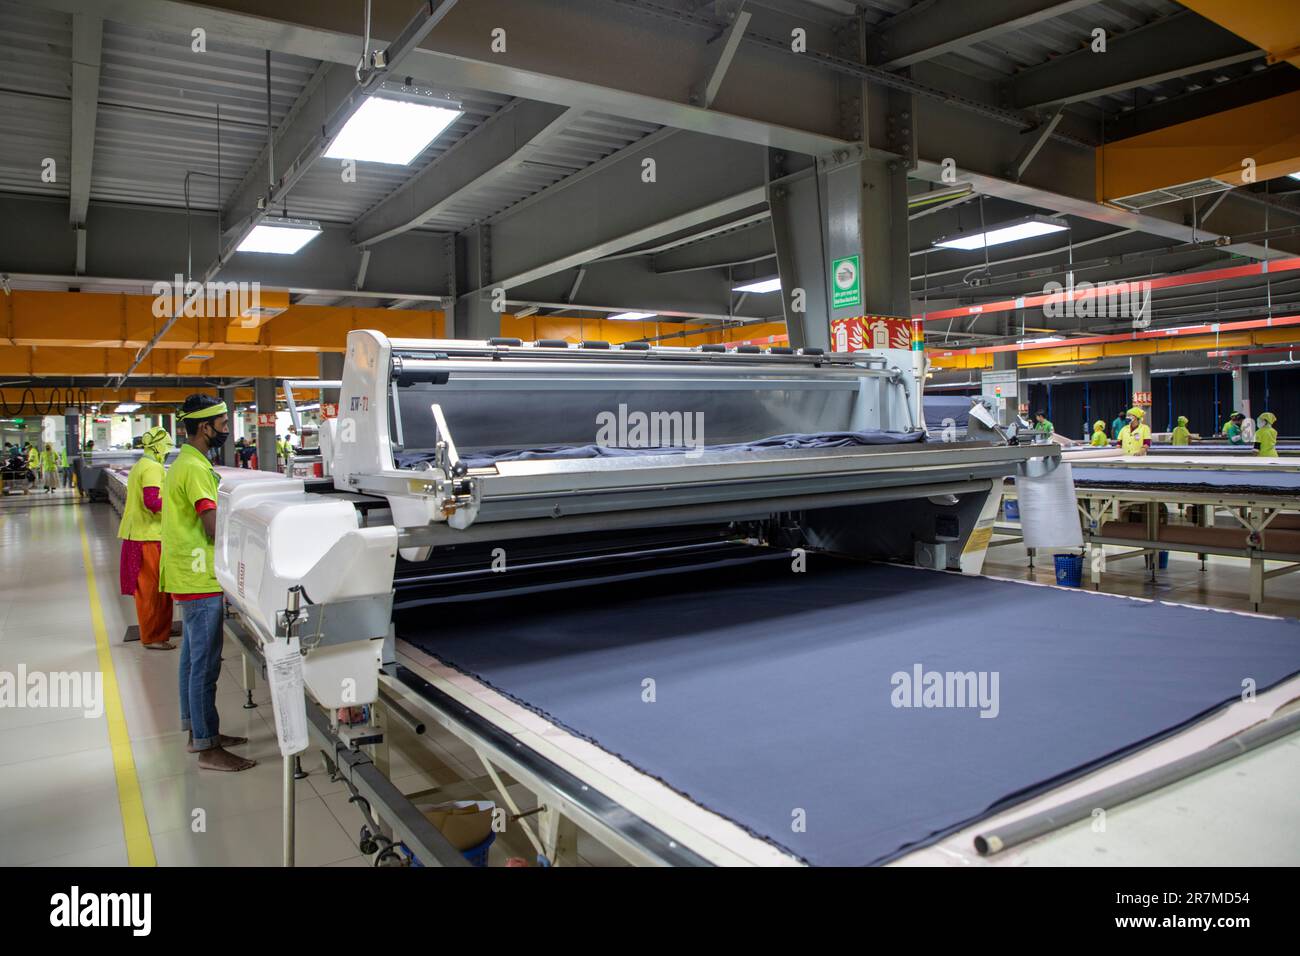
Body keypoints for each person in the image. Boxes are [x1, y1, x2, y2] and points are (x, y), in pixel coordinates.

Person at [161, 395, 254, 772]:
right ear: (205, 427)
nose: (227, 431)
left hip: (185, 572)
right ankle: (208, 747)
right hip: (199, 576)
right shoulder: (196, 468)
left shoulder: (184, 461)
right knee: (205, 663)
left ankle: (197, 731)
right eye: (223, 423)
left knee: (190, 658)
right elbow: (213, 526)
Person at [118, 427, 177, 650]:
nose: (168, 452)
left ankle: (159, 629)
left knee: (155, 588)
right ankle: (152, 636)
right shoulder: (152, 468)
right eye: (167, 448)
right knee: (152, 590)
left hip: (141, 534)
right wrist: (177, 508)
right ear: (159, 447)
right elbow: (152, 501)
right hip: (148, 537)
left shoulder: (141, 465)